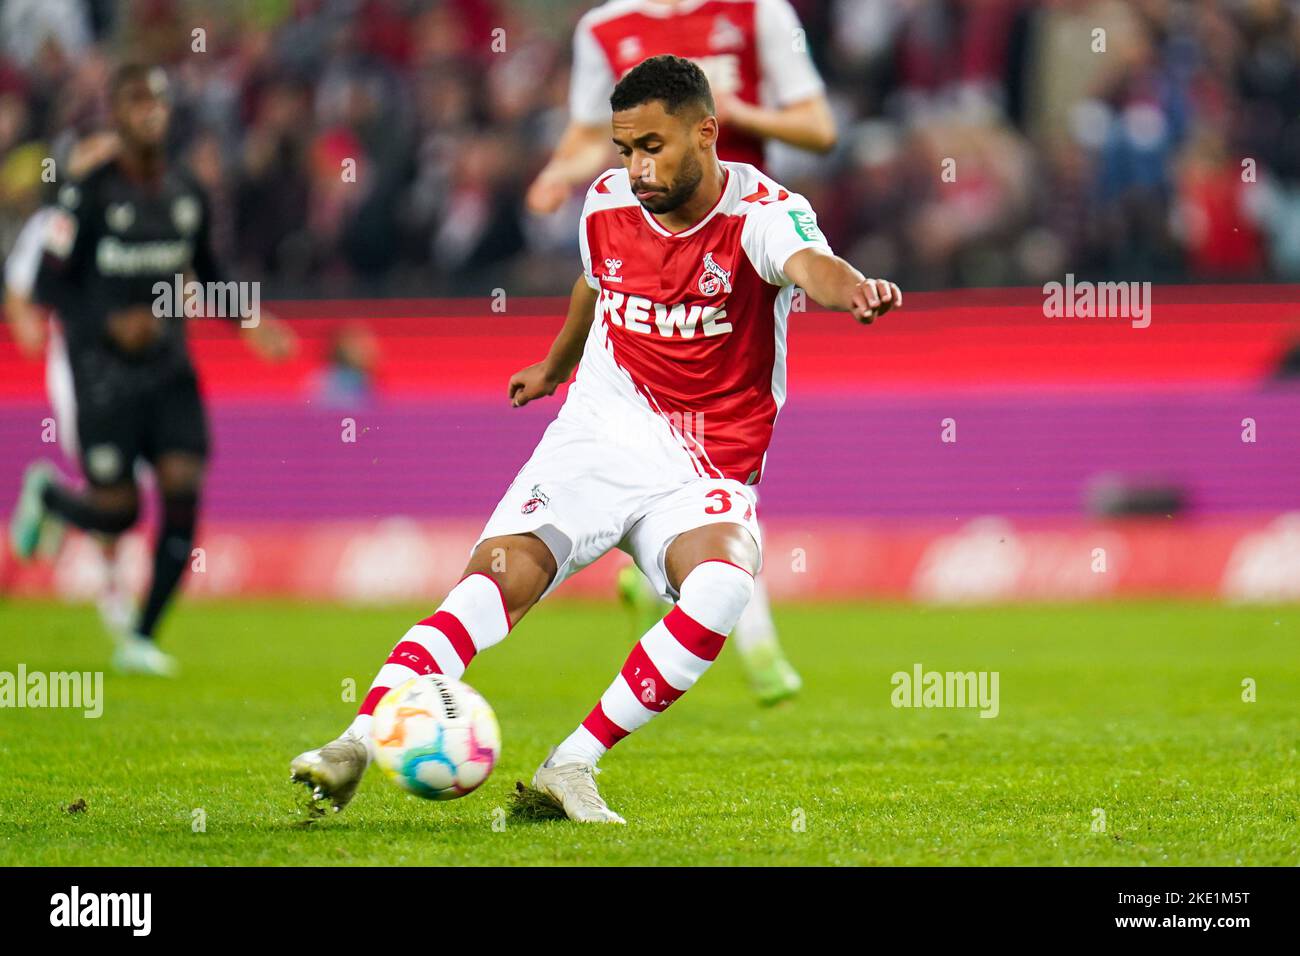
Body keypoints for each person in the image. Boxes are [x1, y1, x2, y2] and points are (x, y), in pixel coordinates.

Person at [291, 55, 900, 824]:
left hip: (707, 464)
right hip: (601, 435)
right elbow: (593, 281)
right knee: (496, 580)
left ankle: (571, 763)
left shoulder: (764, 214)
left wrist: (858, 291)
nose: (637, 168)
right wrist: (555, 364)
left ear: (706, 133)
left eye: (654, 146)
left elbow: (813, 265)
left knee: (723, 586)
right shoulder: (606, 204)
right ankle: (354, 740)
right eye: (625, 150)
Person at [529, 0, 838, 705]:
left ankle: (657, 565)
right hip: (652, 257)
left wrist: (734, 115)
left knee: (724, 451)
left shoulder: (757, 14)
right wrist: (556, 171)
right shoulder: (602, 29)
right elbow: (589, 138)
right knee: (694, 458)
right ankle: (755, 645)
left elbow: (819, 129)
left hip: (746, 256)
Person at [7, 63, 294, 675]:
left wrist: (250, 322)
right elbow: (44, 287)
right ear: (115, 113)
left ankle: (141, 634)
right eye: (137, 100)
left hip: (168, 368)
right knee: (120, 510)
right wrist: (107, 323)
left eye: (159, 100)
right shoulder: (85, 195)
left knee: (183, 490)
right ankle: (51, 498)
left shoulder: (186, 192)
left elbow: (209, 276)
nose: (151, 111)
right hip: (101, 369)